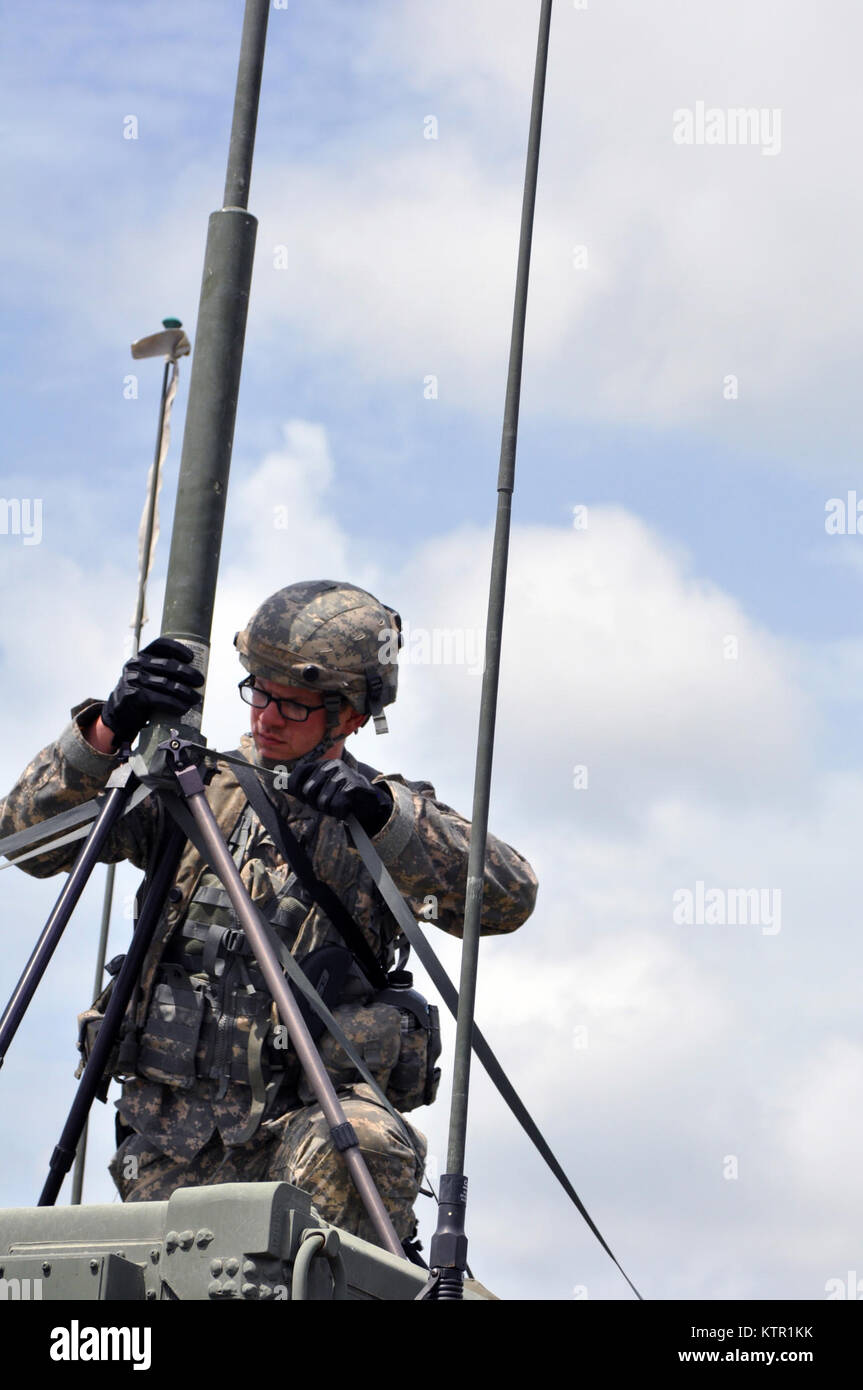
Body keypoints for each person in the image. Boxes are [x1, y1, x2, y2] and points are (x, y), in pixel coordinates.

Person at [0, 580, 537, 1251]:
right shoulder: (189, 789)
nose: (267, 717)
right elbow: (25, 842)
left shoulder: (380, 818)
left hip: (311, 1123)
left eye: (295, 704)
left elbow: (509, 897)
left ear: (349, 716)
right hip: (175, 1135)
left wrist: (380, 816)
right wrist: (106, 732)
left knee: (367, 1147)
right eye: (258, 690)